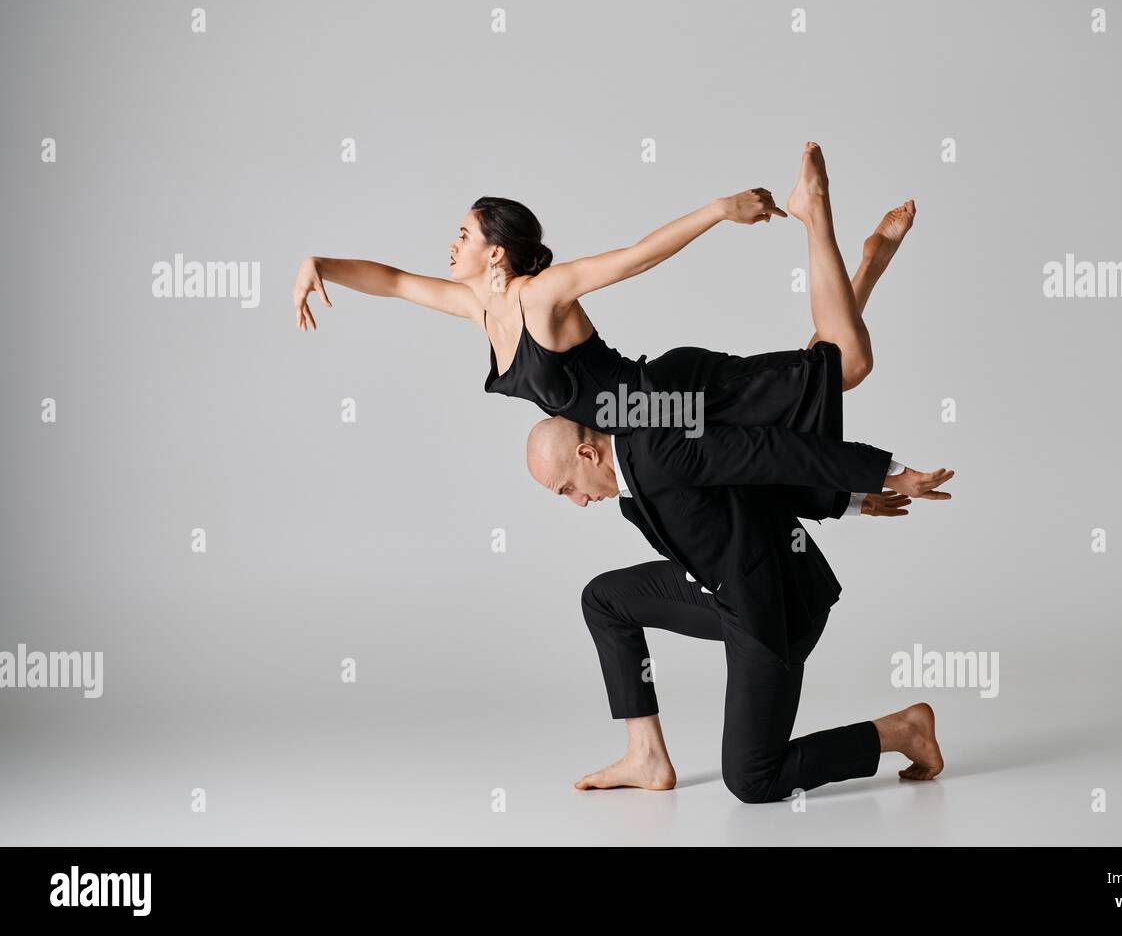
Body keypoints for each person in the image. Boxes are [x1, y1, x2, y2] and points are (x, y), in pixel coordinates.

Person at [294, 144, 916, 516]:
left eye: (463, 234)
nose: (451, 243)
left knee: (843, 369)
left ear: (495, 253)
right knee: (816, 383)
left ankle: (813, 218)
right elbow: (394, 280)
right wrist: (319, 265)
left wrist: (719, 211)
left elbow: (636, 255)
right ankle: (867, 265)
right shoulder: (476, 307)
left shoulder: (543, 296)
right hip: (659, 424)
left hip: (672, 396)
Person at [525, 415, 954, 803]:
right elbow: (741, 489)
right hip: (722, 593)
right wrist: (848, 503)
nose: (578, 502)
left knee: (752, 779)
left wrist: (867, 486)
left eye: (567, 488)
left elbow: (763, 456)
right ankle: (646, 757)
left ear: (587, 453)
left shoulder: (662, 448)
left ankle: (903, 731)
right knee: (604, 600)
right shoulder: (630, 498)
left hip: (773, 608)